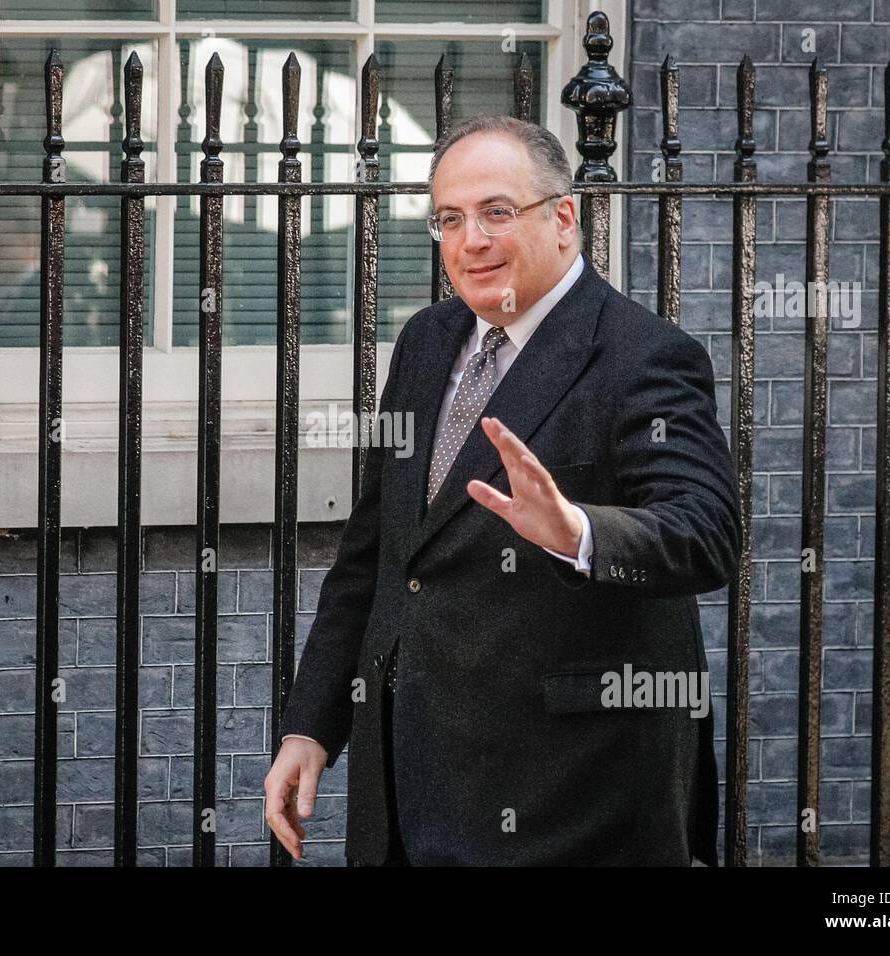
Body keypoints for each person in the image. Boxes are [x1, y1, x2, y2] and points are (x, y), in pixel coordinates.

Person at [263, 115, 740, 866]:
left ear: (562, 217)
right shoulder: (426, 341)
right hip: (406, 789)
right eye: (449, 219)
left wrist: (577, 531)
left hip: (569, 796)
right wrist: (311, 727)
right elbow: (377, 555)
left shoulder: (644, 355)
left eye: (495, 212)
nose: (470, 241)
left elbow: (705, 532)